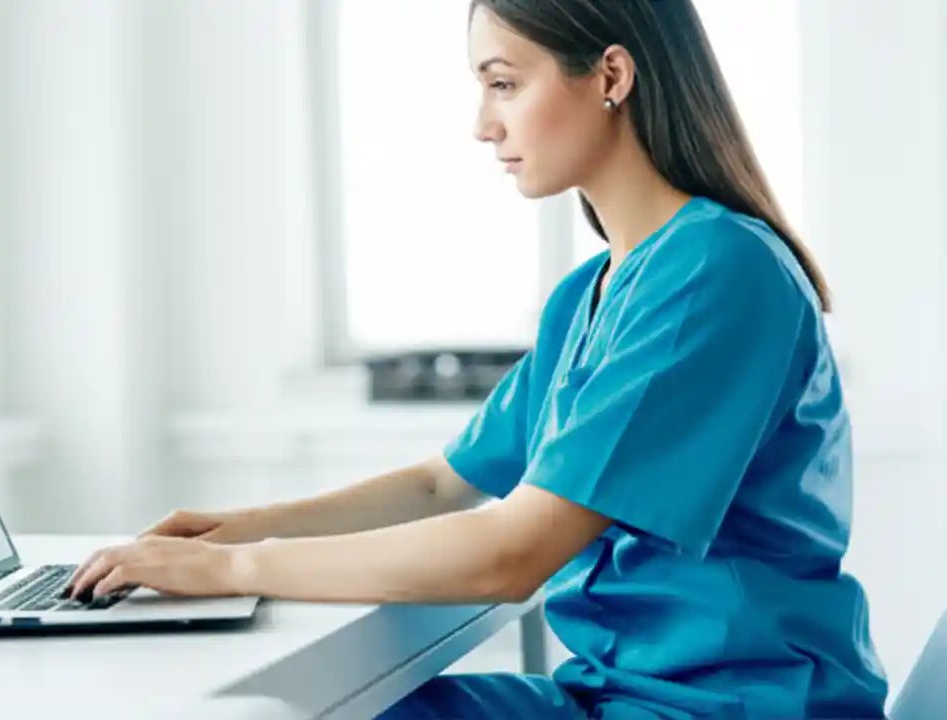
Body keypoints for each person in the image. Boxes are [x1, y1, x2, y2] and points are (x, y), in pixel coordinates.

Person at [66, 1, 889, 716]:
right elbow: (444, 482)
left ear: (611, 74)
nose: (483, 124)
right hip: (617, 696)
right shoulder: (590, 295)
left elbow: (513, 550)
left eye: (503, 84)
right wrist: (228, 529)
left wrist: (234, 568)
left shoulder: (714, 270)